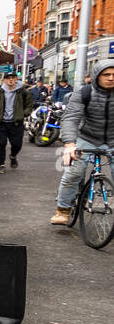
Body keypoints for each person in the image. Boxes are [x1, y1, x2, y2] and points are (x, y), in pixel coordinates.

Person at [50, 59, 114, 224]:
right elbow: (71, 118)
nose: (111, 78)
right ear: (96, 76)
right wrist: (70, 144)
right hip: (86, 137)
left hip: (112, 139)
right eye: (106, 74)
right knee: (74, 173)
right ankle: (63, 209)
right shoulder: (84, 93)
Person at [0, 69, 34, 173]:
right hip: (1, 123)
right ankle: (1, 165)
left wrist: (23, 115)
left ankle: (12, 156)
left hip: (16, 123)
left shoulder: (24, 92)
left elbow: (29, 106)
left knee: (17, 144)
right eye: (8, 78)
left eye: (13, 78)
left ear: (16, 79)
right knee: (1, 144)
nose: (10, 80)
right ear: (4, 80)